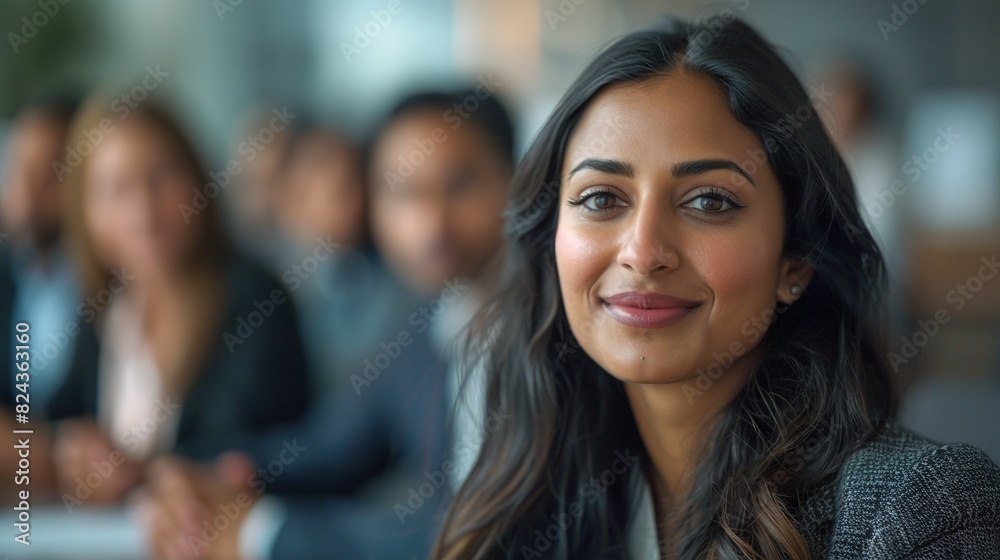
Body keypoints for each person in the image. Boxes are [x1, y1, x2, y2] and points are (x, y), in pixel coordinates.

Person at [433, 16, 1000, 560]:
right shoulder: (521, 498)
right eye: (602, 198)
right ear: (551, 239)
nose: (643, 252)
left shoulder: (918, 514)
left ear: (795, 262)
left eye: (710, 201)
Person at [143, 87, 516, 560]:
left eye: (459, 184)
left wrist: (261, 533)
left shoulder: (544, 330)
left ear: (517, 180)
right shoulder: (432, 319)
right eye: (403, 191)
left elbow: (479, 534)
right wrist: (205, 475)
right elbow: (332, 448)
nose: (431, 220)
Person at [46, 96, 312, 506]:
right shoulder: (108, 307)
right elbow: (60, 416)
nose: (143, 211)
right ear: (85, 212)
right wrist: (61, 450)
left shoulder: (255, 299)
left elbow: (246, 449)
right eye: (115, 189)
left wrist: (132, 473)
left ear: (198, 179)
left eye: (160, 177)